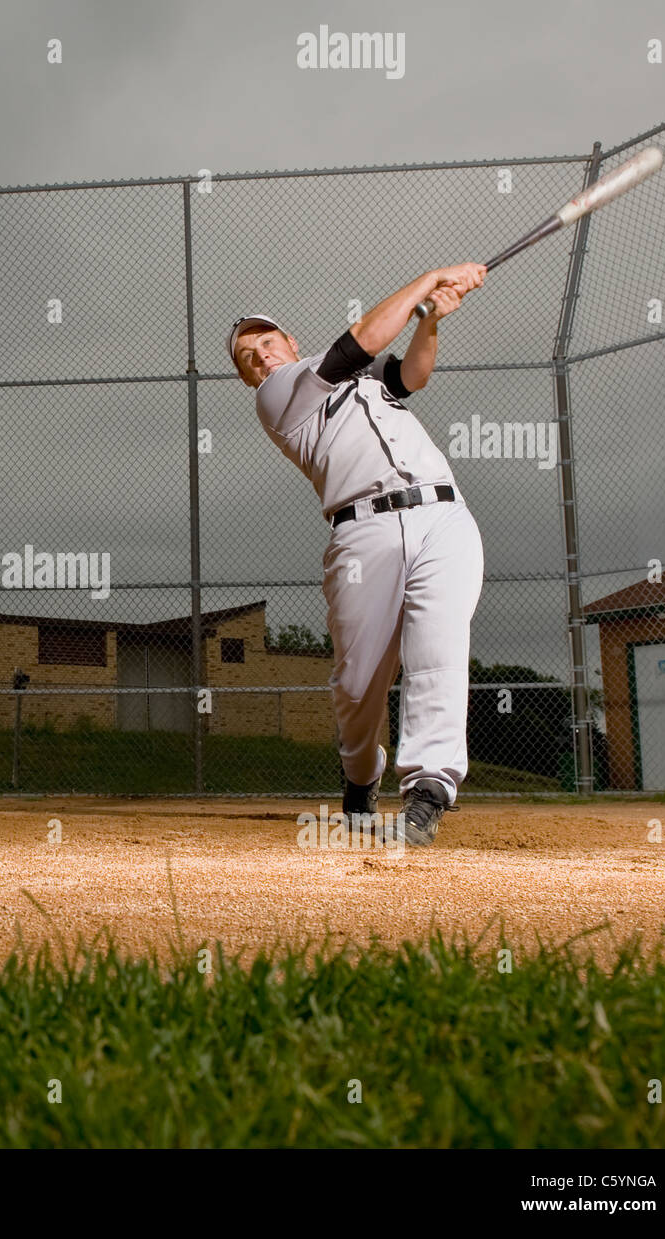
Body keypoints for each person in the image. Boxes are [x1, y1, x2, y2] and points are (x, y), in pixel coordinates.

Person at [227, 263, 487, 844]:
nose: (261, 356)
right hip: (360, 534)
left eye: (267, 343)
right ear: (250, 378)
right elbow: (360, 340)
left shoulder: (357, 373)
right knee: (357, 683)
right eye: (248, 358)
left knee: (438, 651)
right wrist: (430, 279)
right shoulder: (281, 396)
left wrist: (431, 320)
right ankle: (360, 773)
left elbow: (411, 376)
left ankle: (428, 791)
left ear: (289, 340)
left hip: (443, 514)